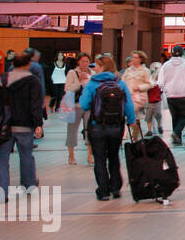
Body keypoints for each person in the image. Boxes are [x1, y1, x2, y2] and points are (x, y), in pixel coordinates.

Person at [0, 50, 45, 204]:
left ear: (12, 64)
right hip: (25, 126)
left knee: (1, 159)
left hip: (3, 126)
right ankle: (28, 185)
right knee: (26, 155)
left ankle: (1, 193)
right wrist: (38, 123)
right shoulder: (33, 81)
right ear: (28, 64)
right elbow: (35, 105)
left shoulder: (1, 80)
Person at [79, 55, 136, 202]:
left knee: (99, 159)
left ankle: (103, 191)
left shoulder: (92, 84)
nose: (94, 68)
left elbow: (84, 105)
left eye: (96, 65)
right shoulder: (120, 83)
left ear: (103, 67)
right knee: (114, 156)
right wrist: (131, 120)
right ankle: (116, 188)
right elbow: (128, 104)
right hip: (116, 126)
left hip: (97, 126)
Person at [158, 46, 185, 146]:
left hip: (170, 95)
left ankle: (177, 139)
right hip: (184, 94)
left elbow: (160, 81)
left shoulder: (166, 65)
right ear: (182, 53)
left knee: (175, 117)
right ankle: (176, 132)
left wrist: (164, 89)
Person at [123, 51, 161, 137]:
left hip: (139, 97)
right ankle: (135, 134)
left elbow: (150, 84)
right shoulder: (128, 70)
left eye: (136, 57)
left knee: (130, 114)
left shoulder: (145, 70)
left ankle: (131, 133)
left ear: (141, 59)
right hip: (128, 96)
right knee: (133, 116)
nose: (133, 59)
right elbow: (123, 80)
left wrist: (140, 87)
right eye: (133, 57)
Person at [64, 54, 92, 166]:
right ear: (78, 62)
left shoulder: (92, 73)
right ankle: (71, 155)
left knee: (89, 130)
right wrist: (79, 81)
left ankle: (90, 154)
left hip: (89, 106)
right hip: (75, 106)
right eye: (83, 61)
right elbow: (68, 89)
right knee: (72, 130)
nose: (85, 63)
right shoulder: (72, 73)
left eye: (87, 61)